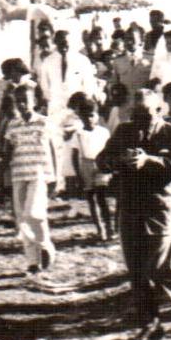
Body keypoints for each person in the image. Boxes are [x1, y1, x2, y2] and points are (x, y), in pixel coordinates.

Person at [97, 95, 171, 340]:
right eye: (136, 117)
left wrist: (150, 160)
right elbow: (102, 161)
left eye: (146, 116)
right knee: (136, 267)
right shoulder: (123, 131)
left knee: (157, 262)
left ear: (160, 110)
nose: (141, 123)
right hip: (130, 205)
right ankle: (150, 322)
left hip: (160, 206)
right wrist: (120, 160)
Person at [5, 84, 59, 276]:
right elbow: (8, 150)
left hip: (39, 173)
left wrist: (56, 176)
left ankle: (46, 246)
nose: (21, 104)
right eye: (17, 101)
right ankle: (32, 261)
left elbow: (53, 150)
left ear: (34, 101)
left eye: (25, 100)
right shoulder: (13, 124)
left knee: (34, 213)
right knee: (22, 218)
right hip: (18, 174)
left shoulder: (44, 122)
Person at [71, 98, 113, 241]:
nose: (88, 119)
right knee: (91, 198)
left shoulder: (104, 132)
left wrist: (110, 167)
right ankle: (99, 229)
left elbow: (109, 150)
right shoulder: (78, 134)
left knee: (101, 197)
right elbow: (74, 155)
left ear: (97, 115)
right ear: (80, 118)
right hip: (86, 165)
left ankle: (109, 227)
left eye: (91, 115)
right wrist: (78, 175)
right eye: (85, 116)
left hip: (101, 164)